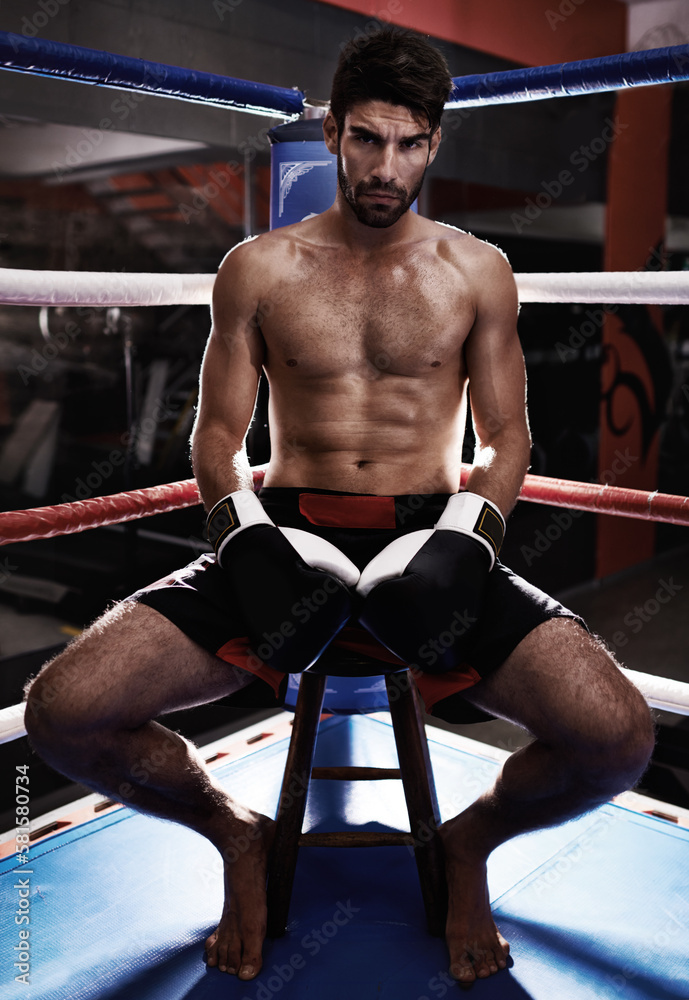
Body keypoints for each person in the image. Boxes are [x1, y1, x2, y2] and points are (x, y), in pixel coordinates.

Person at [24, 27, 654, 988]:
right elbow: (216, 438)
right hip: (284, 531)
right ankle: (234, 834)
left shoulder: (476, 270)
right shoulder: (258, 268)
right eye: (365, 139)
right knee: (61, 711)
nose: (383, 167)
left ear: (434, 145)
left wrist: (467, 538)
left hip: (434, 535)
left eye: (406, 144)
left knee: (617, 737)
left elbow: (508, 439)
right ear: (331, 132)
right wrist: (243, 539)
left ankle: (467, 843)